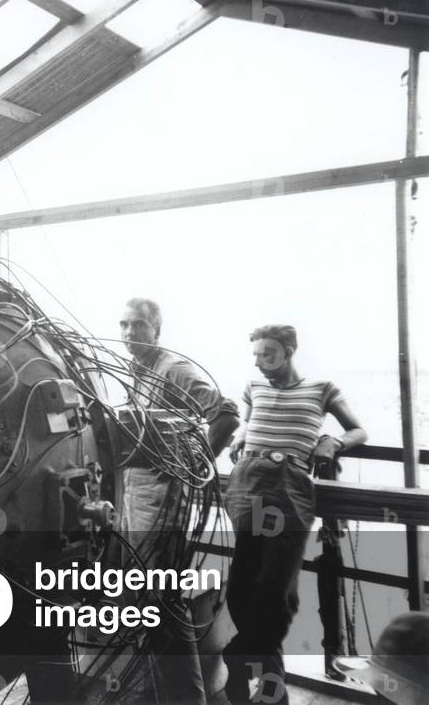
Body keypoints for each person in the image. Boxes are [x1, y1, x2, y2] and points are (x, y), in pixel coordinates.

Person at [222, 324, 367, 705]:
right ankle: (267, 688)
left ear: (289, 351)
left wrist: (331, 440)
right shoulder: (253, 388)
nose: (260, 362)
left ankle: (242, 666)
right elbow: (248, 423)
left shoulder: (322, 388)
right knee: (240, 587)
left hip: (287, 487)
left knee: (275, 592)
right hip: (247, 484)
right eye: (255, 354)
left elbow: (358, 431)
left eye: (268, 353)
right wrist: (240, 435)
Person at [118, 298, 239, 705]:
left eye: (138, 326)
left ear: (157, 330)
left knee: (162, 598)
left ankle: (190, 696)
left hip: (165, 498)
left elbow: (225, 413)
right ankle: (163, 691)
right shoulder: (138, 371)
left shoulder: (173, 369)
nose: (129, 333)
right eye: (124, 325)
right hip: (140, 496)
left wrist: (188, 464)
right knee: (148, 596)